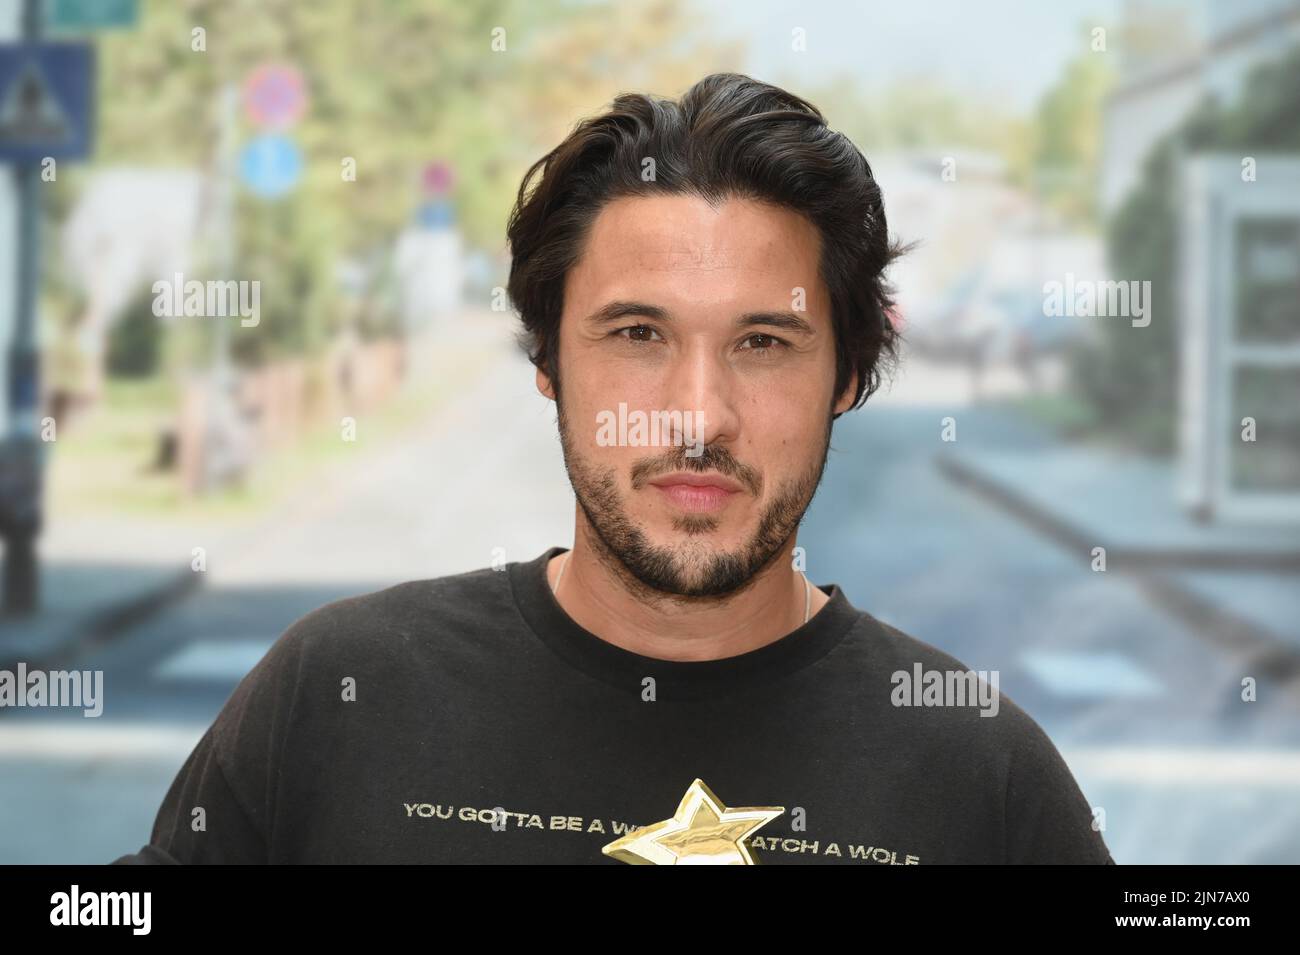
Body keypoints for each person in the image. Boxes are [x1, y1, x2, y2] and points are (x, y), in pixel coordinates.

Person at [114, 73, 1113, 865]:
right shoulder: (336, 693)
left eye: (763, 343)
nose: (696, 416)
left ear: (846, 376)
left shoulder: (984, 777)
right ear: (549, 360)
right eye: (637, 332)